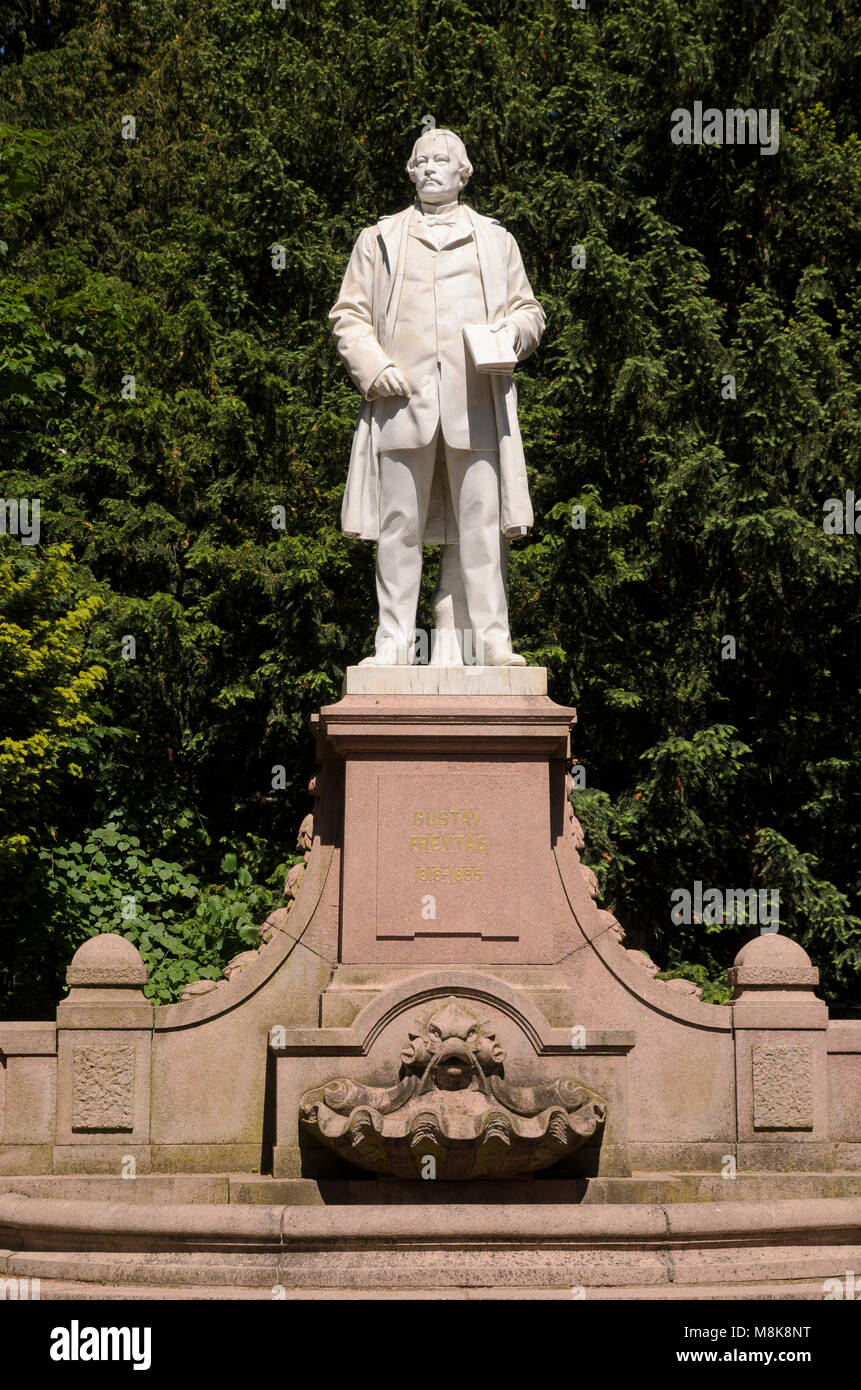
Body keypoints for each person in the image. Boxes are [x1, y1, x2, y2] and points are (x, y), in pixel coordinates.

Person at [329, 127, 544, 666]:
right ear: (409, 171)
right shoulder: (378, 239)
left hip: (475, 404)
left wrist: (512, 337)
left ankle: (493, 641)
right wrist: (373, 367)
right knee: (398, 528)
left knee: (481, 527)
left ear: (463, 172)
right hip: (402, 403)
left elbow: (529, 311)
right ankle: (393, 644)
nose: (428, 169)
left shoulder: (495, 240)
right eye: (420, 161)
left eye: (440, 161)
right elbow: (348, 314)